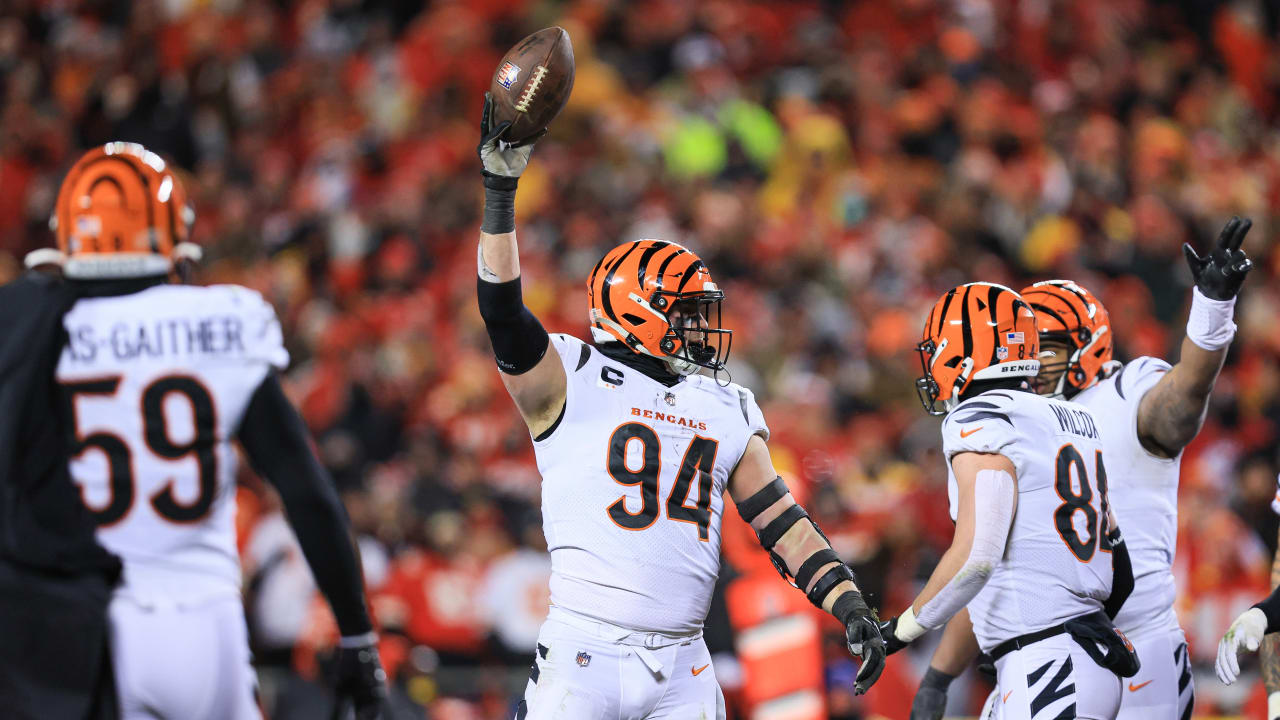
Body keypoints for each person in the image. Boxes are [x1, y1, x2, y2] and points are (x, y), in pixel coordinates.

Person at [472, 94, 885, 719]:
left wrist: (849, 602)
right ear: (639, 310)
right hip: (586, 653)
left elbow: (781, 521)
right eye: (688, 314)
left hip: (684, 666)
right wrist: (500, 194)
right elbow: (502, 310)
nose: (701, 330)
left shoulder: (722, 402)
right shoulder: (572, 374)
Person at [47, 142, 387, 720]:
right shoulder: (221, 321)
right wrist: (357, 636)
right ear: (172, 237)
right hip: (200, 621)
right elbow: (306, 491)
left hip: (82, 622)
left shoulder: (38, 333)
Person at [910, 218, 1254, 720]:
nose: (1032, 360)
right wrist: (940, 675)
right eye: (1026, 344)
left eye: (1047, 347)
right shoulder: (1015, 420)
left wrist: (1211, 309)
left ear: (1087, 345)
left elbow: (1185, 396)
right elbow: (995, 562)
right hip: (1048, 647)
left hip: (1138, 650)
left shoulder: (1124, 394)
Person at [881, 282, 1138, 720]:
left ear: (960, 352)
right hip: (1071, 656)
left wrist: (898, 632)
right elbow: (1121, 572)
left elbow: (978, 558)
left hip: (1047, 663)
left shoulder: (981, 418)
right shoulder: (1075, 418)